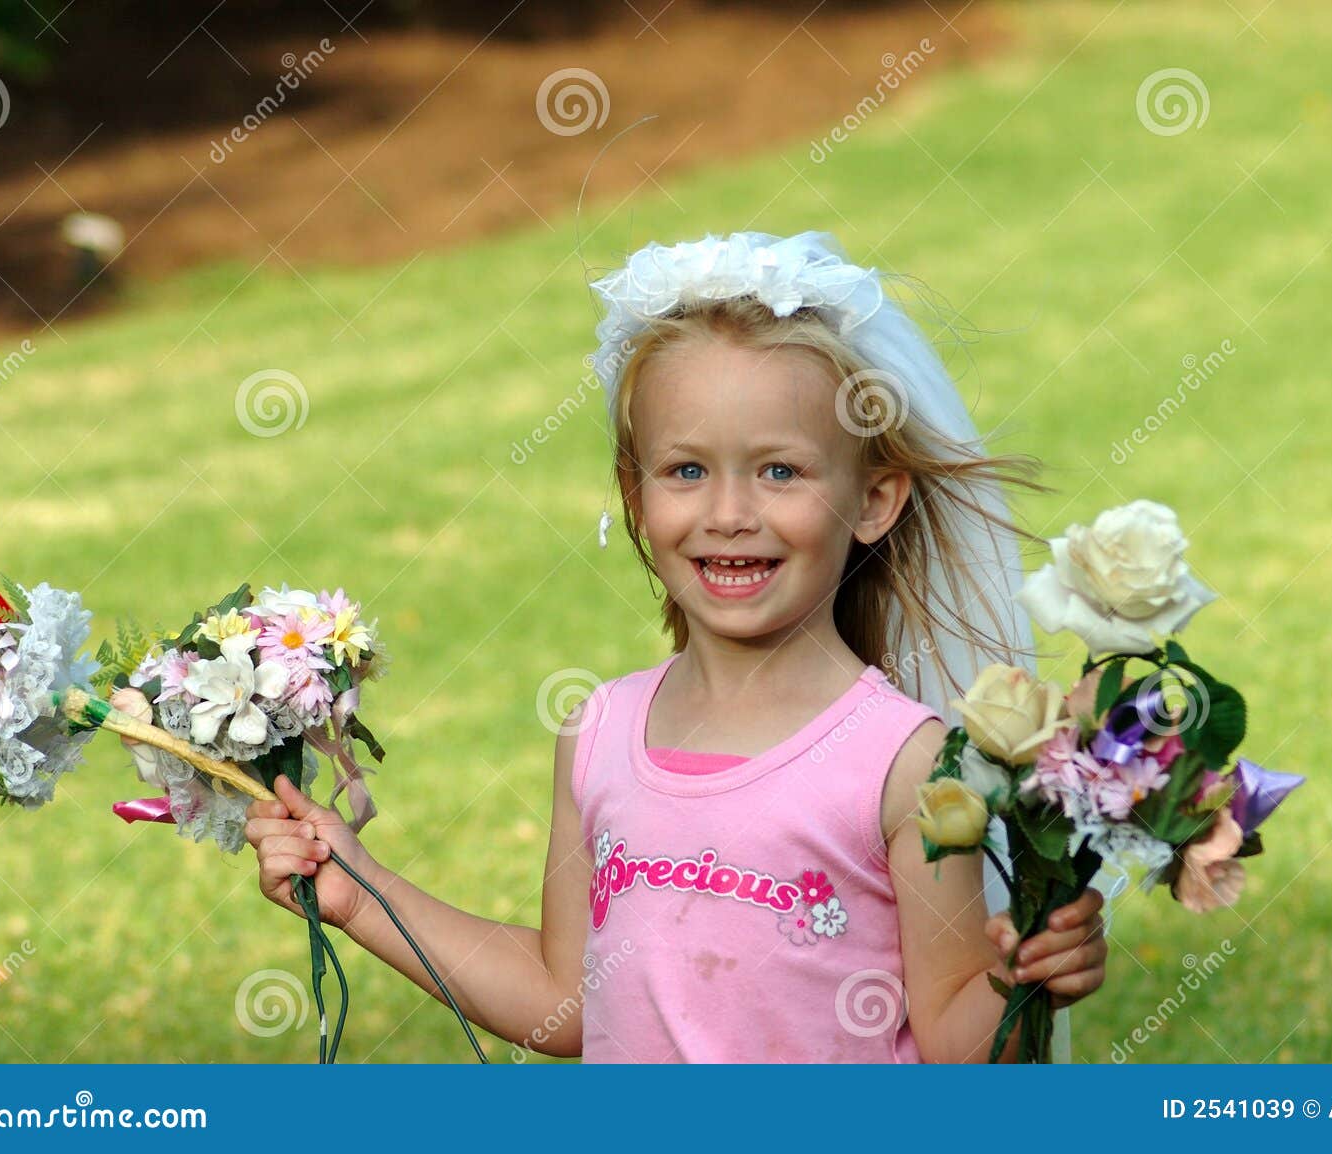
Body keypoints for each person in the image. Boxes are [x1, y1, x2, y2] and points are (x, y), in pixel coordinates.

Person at [243, 230, 1108, 1062]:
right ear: (637, 490)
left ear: (876, 499)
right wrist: (362, 894)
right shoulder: (600, 734)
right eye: (687, 470)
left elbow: (960, 1051)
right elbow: (561, 1002)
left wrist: (1025, 977)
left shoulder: (906, 764)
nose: (729, 513)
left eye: (781, 470)